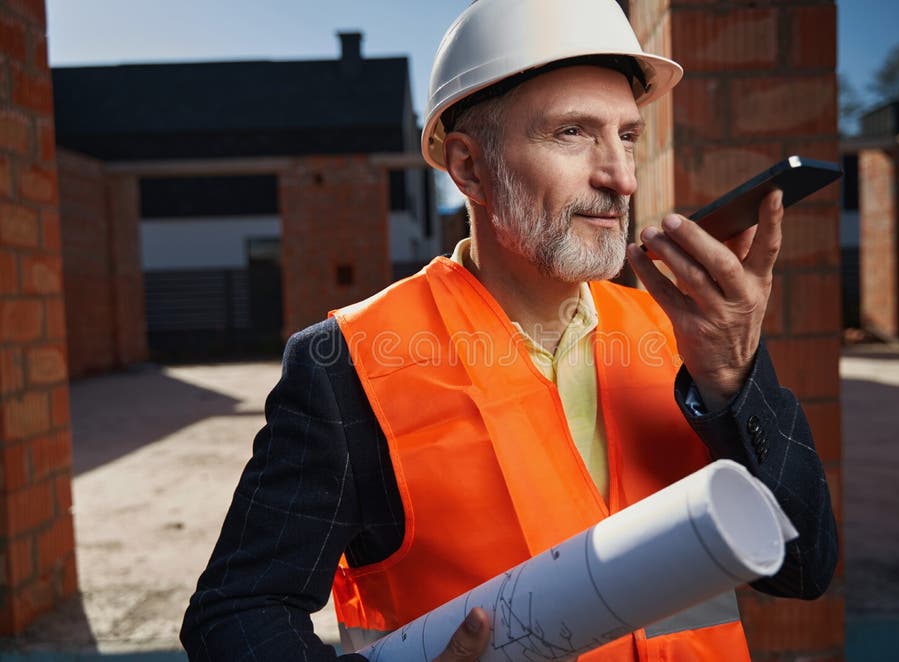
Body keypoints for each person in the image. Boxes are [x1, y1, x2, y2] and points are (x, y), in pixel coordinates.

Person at [181, 1, 838, 660]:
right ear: (469, 169)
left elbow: (803, 569)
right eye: (573, 133)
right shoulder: (349, 366)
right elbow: (237, 612)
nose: (621, 177)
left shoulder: (688, 336)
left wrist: (733, 381)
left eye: (629, 135)